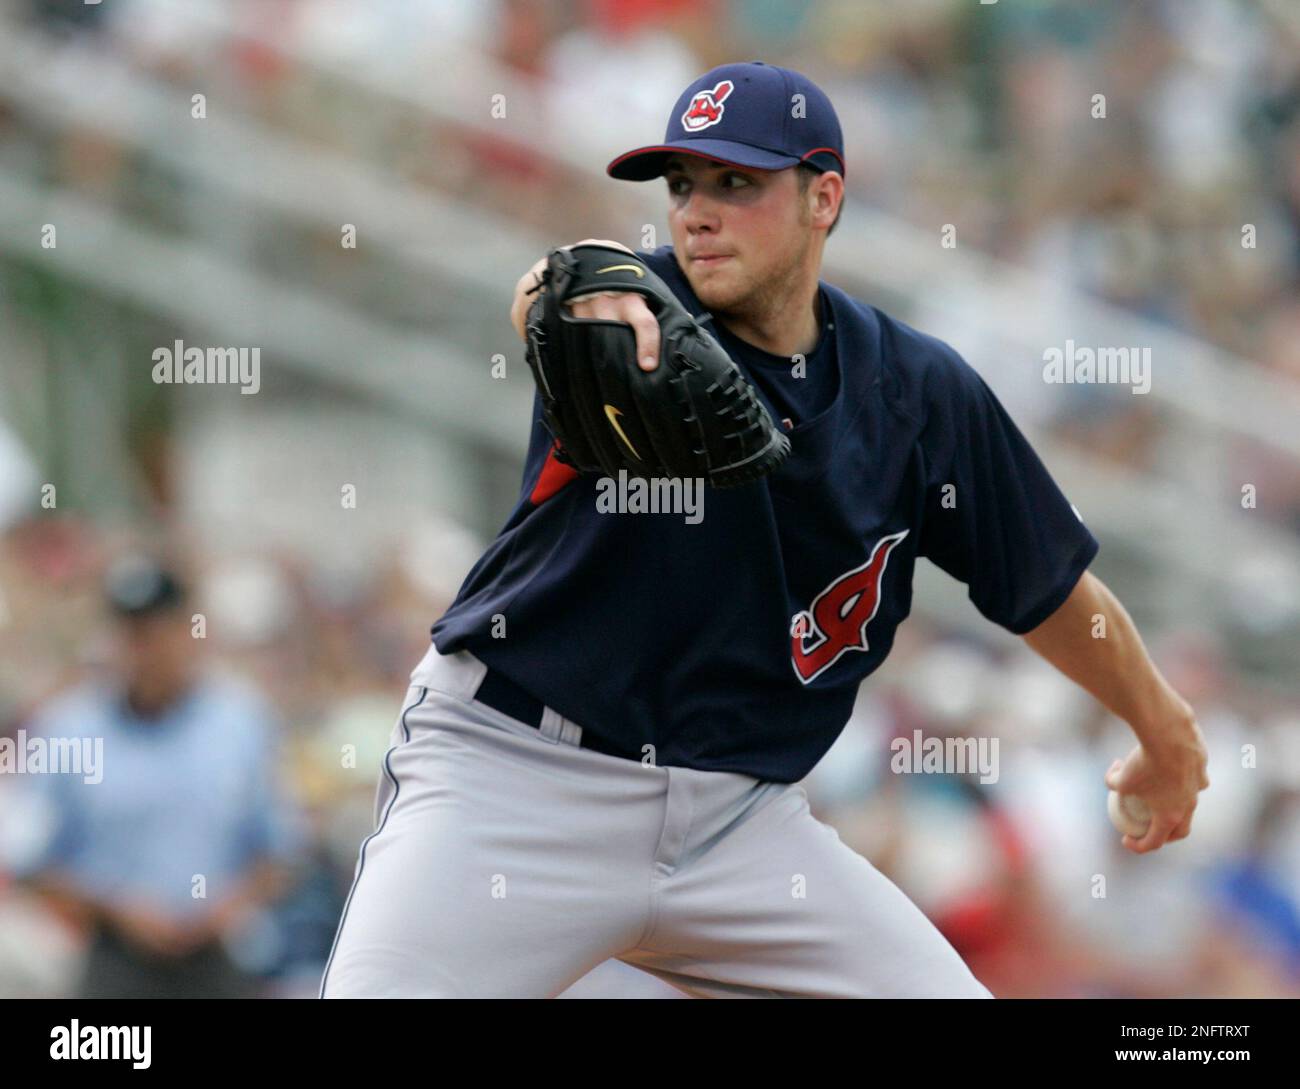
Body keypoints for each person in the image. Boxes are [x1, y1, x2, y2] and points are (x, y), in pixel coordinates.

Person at [321, 61, 1209, 999]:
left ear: (823, 197)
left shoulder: (914, 392)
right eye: (681, 187)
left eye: (736, 183)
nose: (697, 212)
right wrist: (564, 294)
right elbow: (562, 287)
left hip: (739, 825)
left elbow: (1049, 587)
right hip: (515, 779)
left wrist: (1163, 725)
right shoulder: (641, 320)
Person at [12, 555, 302, 998]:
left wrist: (222, 906)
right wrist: (116, 908)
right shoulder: (70, 728)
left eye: (157, 632)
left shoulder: (238, 722)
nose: (144, 648)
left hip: (218, 958)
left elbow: (280, 851)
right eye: (132, 634)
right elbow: (31, 860)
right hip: (113, 960)